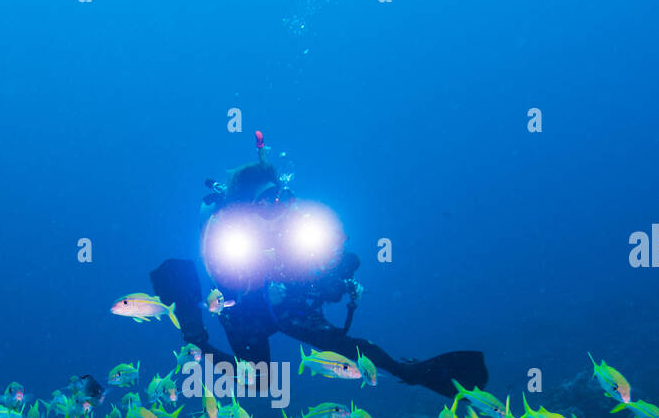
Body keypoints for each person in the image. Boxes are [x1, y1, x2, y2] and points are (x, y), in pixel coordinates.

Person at [151, 132, 488, 397]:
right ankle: (197, 344)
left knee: (345, 345)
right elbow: (226, 278)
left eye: (279, 197)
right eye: (267, 201)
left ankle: (409, 372)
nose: (277, 206)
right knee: (258, 382)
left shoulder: (290, 216)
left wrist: (332, 275)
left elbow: (313, 264)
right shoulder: (227, 228)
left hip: (287, 303)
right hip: (245, 307)